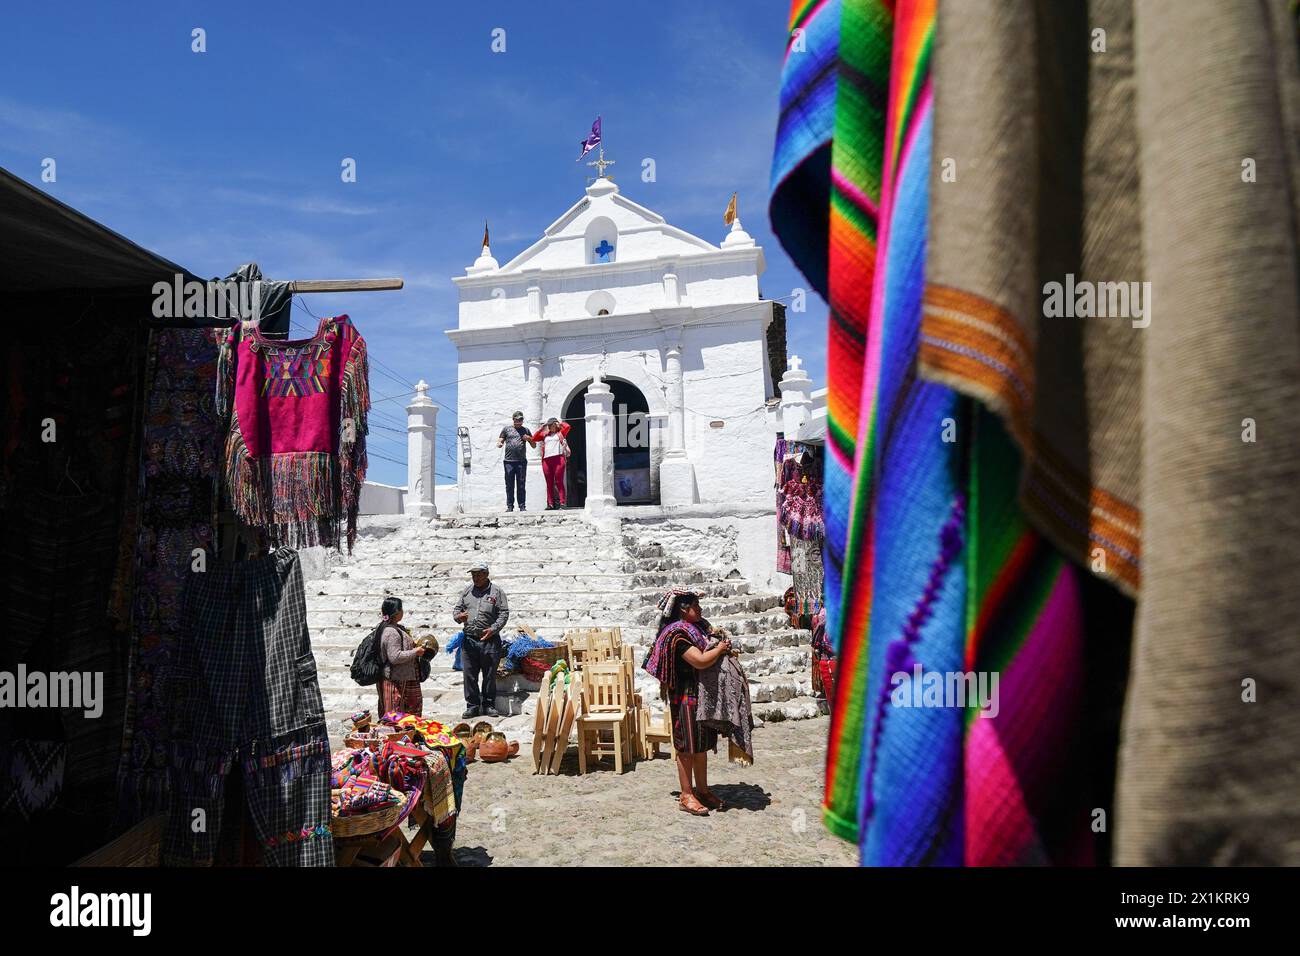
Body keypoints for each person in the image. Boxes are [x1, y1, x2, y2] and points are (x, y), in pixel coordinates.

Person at [642, 590, 732, 816]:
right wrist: (720, 649)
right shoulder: (677, 635)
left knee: (701, 744)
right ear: (683, 609)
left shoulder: (698, 628)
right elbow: (700, 661)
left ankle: (702, 790)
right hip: (684, 695)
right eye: (695, 605)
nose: (700, 608)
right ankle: (686, 794)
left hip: (700, 695)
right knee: (686, 747)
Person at [452, 563, 510, 718]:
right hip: (470, 640)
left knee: (489, 675)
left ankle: (489, 704)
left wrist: (494, 628)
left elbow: (503, 613)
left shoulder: (497, 592)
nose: (475, 578)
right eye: (473, 575)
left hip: (490, 641)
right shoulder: (467, 591)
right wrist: (459, 617)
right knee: (469, 675)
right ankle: (472, 705)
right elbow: (456, 611)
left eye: (478, 575)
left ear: (486, 574)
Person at [376, 597, 426, 716]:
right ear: (397, 612)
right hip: (396, 682)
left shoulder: (394, 628)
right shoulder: (391, 632)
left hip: (403, 678)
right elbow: (395, 657)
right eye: (401, 609)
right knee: (395, 717)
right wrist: (415, 652)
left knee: (404, 717)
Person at [497, 410, 535, 512]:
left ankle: (522, 506)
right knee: (509, 484)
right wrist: (500, 443)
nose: (519, 421)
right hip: (509, 461)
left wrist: (529, 439)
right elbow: (501, 439)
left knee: (521, 484)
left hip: (521, 461)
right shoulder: (506, 429)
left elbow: (534, 445)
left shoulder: (526, 430)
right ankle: (510, 506)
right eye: (517, 419)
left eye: (521, 419)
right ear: (513, 419)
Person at [531, 416, 571, 510]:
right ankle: (550, 504)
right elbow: (534, 438)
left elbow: (567, 426)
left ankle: (562, 503)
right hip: (546, 460)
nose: (551, 426)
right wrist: (541, 428)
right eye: (550, 425)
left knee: (558, 481)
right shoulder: (545, 435)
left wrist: (559, 423)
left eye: (553, 425)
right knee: (549, 483)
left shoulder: (560, 433)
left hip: (558, 459)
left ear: (556, 425)